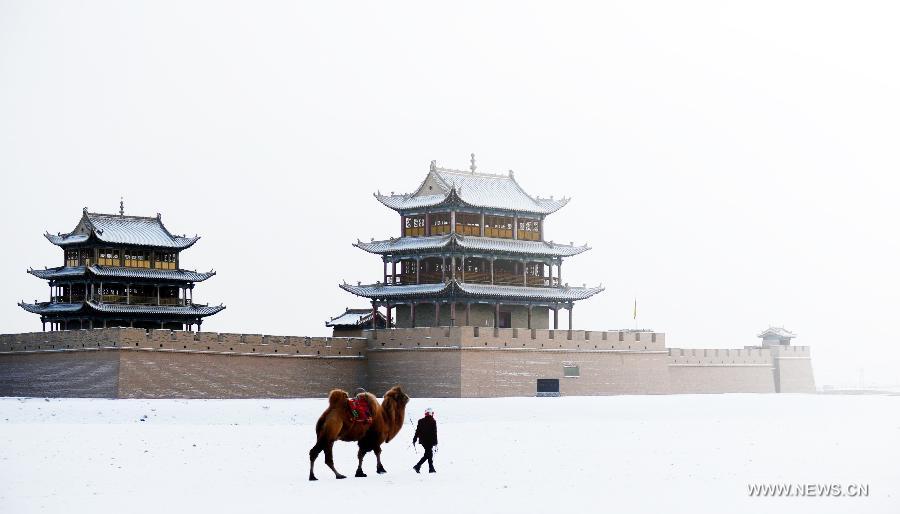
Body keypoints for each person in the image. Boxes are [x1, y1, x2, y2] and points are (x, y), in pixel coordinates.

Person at [412, 407, 438, 473]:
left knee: (428, 454)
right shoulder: (433, 421)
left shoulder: (420, 421)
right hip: (430, 441)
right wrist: (435, 442)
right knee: (429, 454)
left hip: (423, 441)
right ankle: (423, 467)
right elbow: (434, 433)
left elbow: (417, 431)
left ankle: (428, 468)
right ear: (430, 413)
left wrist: (414, 439)